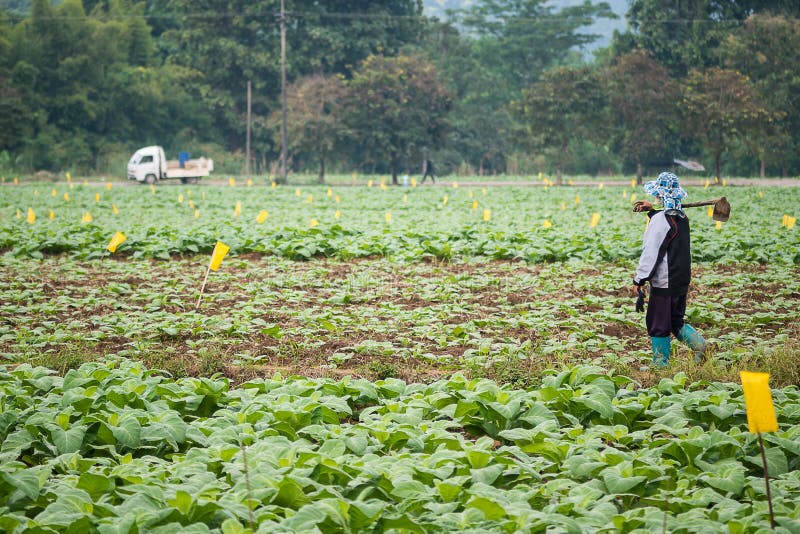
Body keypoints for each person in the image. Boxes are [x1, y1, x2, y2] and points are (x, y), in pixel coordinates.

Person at [631, 171, 707, 368]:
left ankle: (660, 364)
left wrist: (639, 279)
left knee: (658, 322)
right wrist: (653, 209)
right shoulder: (681, 217)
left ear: (660, 195)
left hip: (664, 280)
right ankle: (699, 346)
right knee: (675, 320)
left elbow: (651, 252)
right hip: (680, 279)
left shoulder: (660, 221)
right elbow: (667, 223)